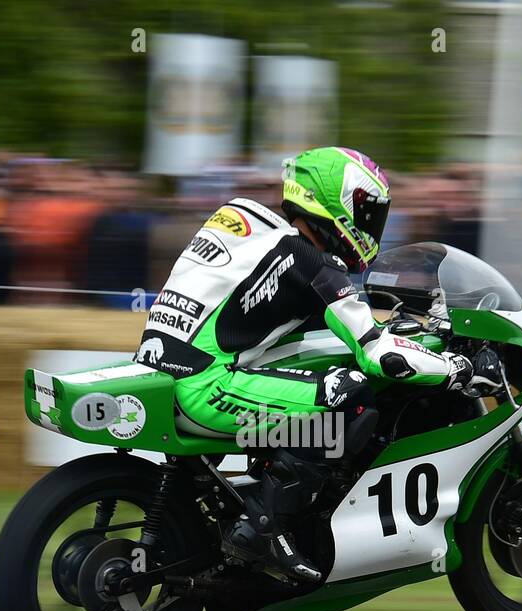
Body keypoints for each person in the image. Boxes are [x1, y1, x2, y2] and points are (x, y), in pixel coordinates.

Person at [133, 146, 503, 583]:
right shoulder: (311, 261)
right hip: (205, 388)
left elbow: (288, 320)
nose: (371, 227)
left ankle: (256, 504)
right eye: (366, 213)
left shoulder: (248, 225)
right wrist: (457, 368)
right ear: (336, 205)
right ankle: (266, 527)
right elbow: (379, 355)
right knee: (347, 392)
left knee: (314, 380)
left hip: (165, 368)